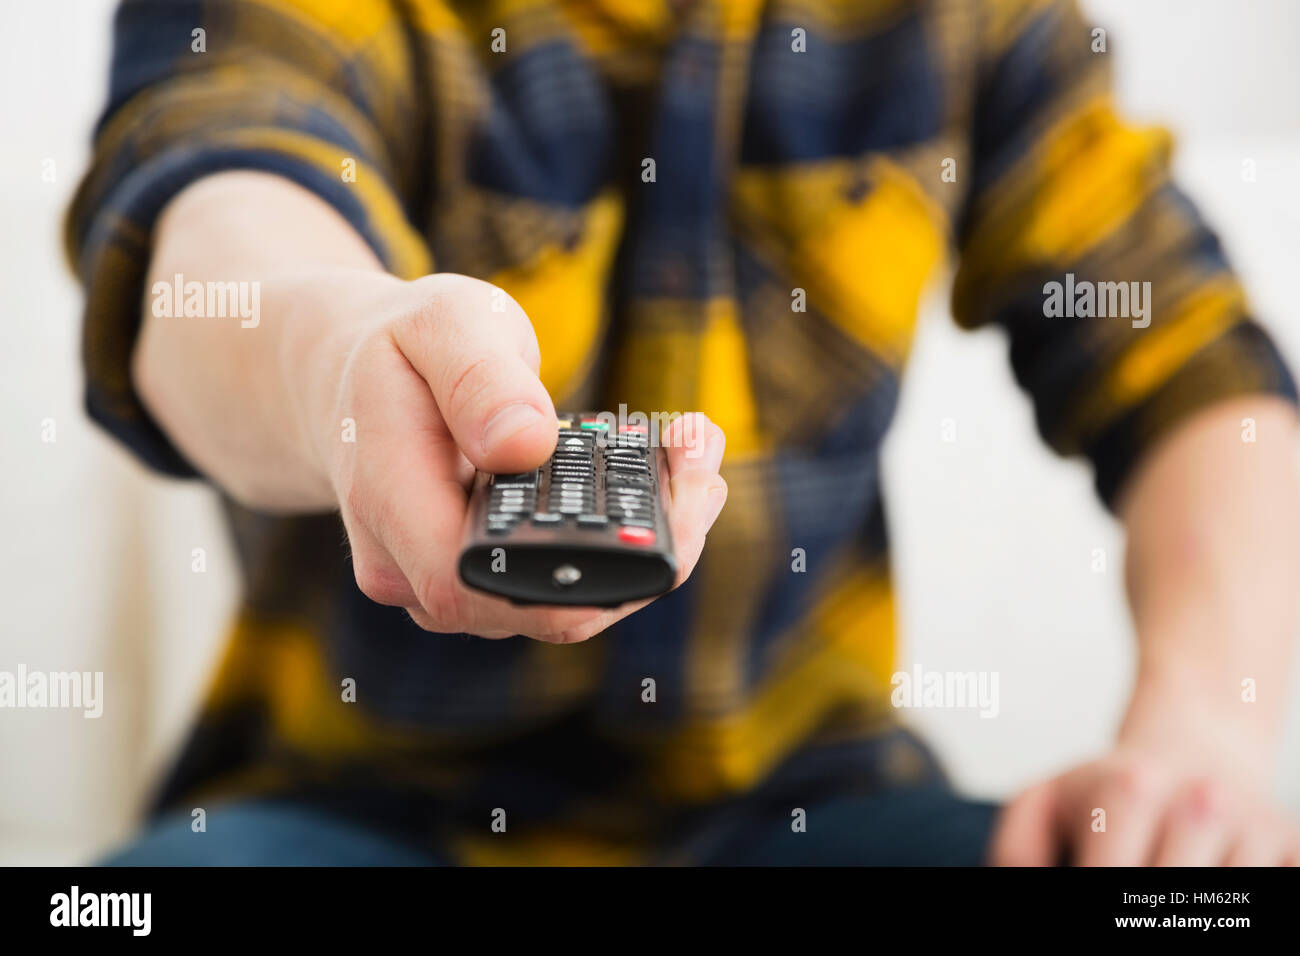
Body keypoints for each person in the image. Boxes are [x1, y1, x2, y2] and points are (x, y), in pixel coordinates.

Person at [68, 0, 1300, 866]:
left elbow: (1196, 364)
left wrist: (1195, 742)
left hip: (813, 809)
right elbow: (217, 208)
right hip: (350, 813)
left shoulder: (968, 15)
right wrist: (338, 350)